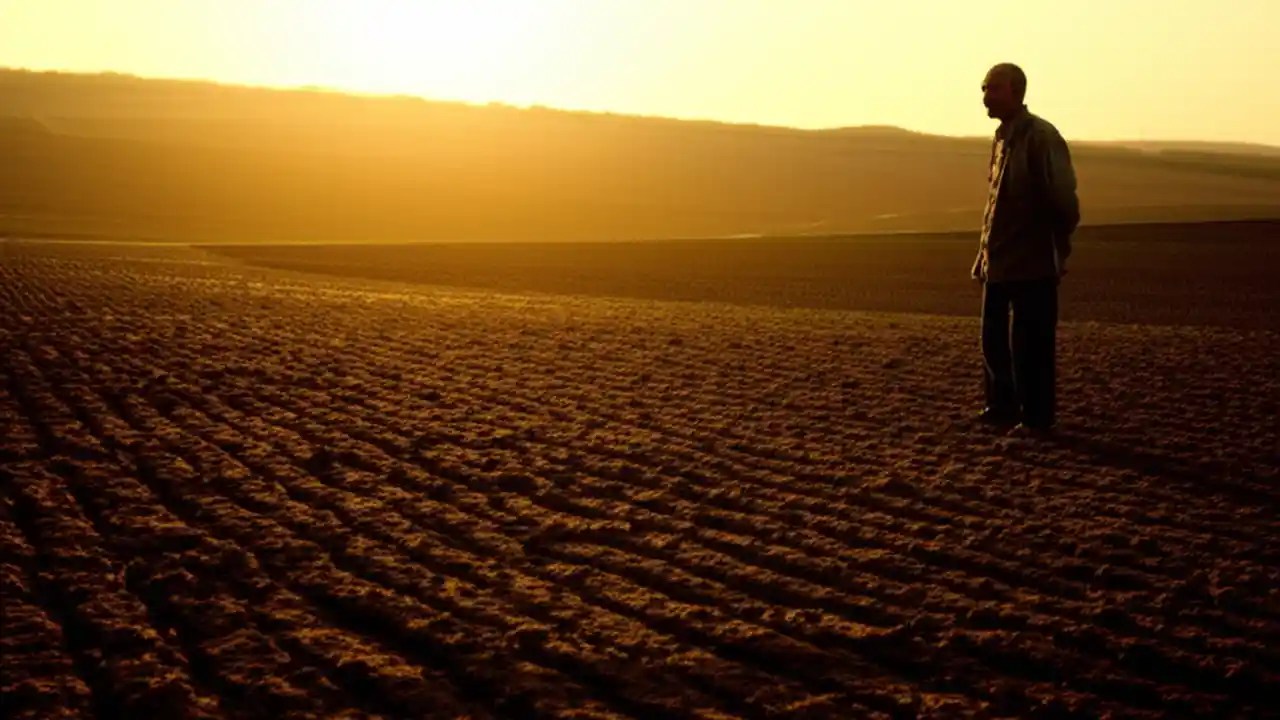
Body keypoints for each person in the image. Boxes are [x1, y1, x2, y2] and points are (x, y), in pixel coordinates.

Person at [971, 63, 1079, 435]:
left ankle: (1036, 418)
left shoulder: (1041, 137)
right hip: (999, 260)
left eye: (995, 89)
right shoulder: (1002, 138)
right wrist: (981, 256)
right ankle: (1002, 406)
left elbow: (1064, 201)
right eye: (984, 88)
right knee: (993, 341)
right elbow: (994, 206)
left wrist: (1055, 250)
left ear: (1017, 92)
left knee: (1031, 345)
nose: (986, 96)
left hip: (1032, 262)